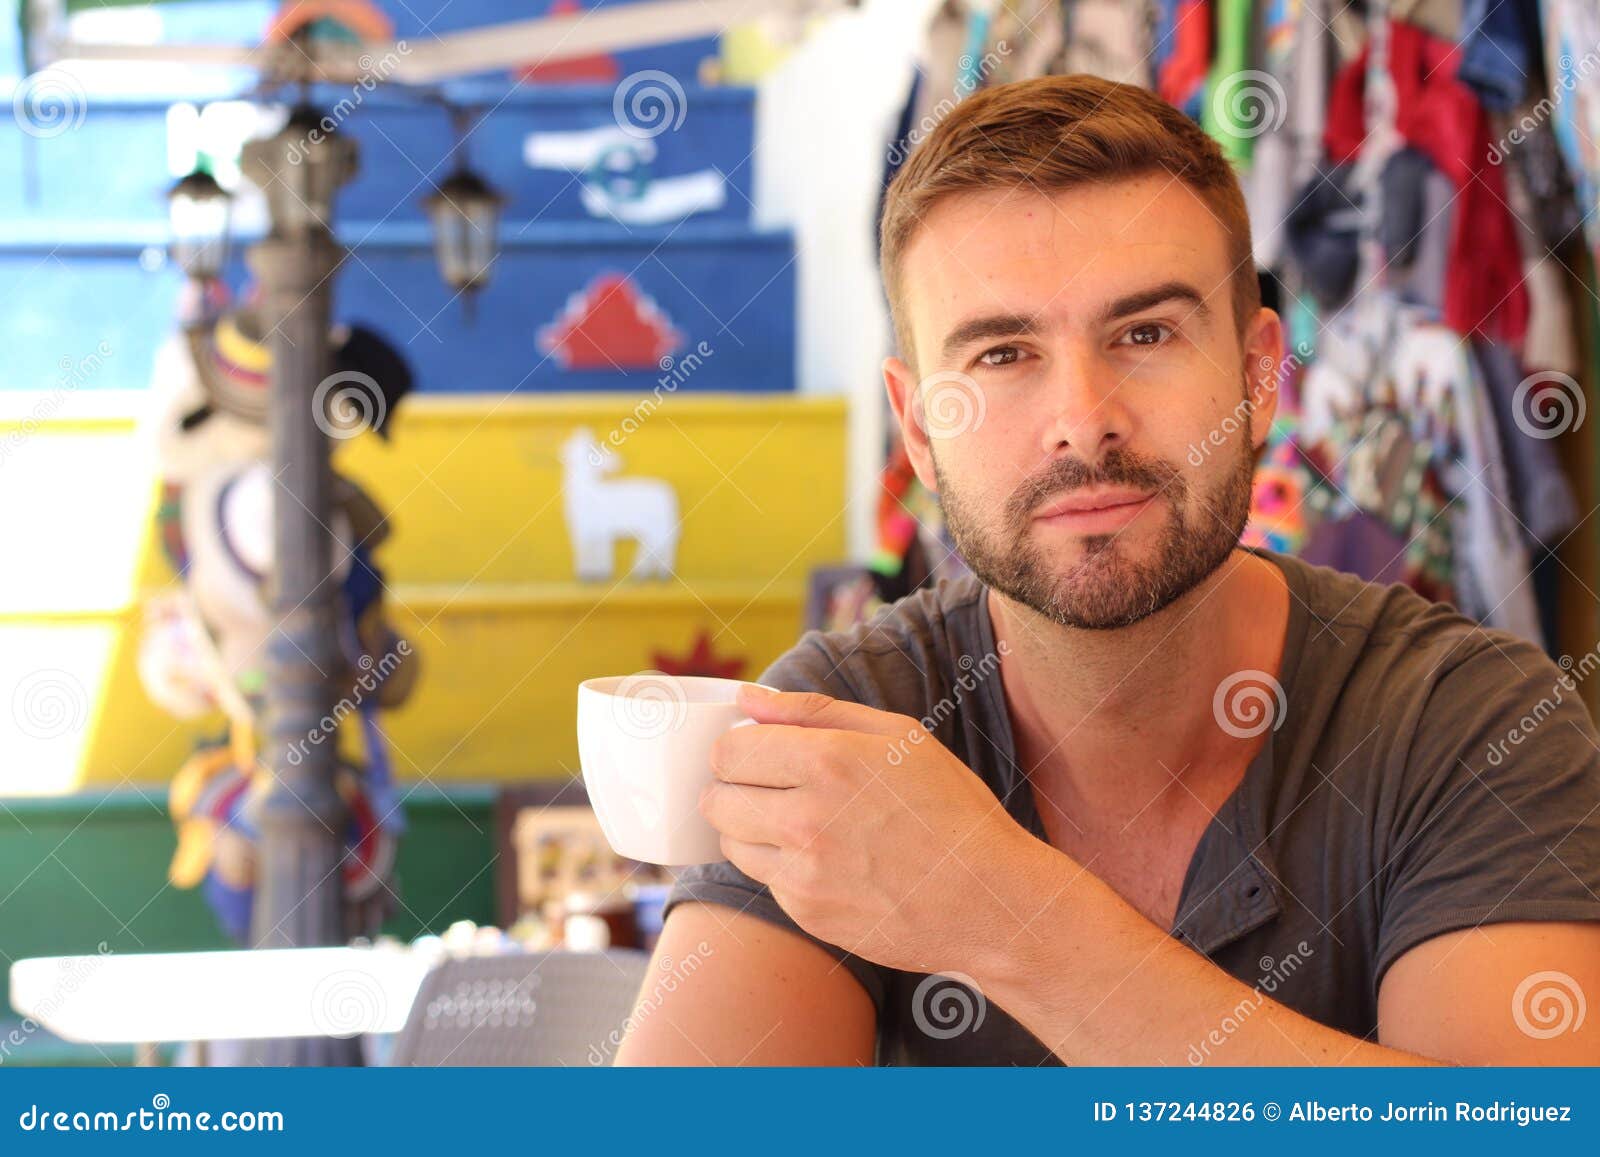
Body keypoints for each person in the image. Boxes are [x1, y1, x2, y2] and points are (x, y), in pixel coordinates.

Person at [614, 74, 1600, 1066]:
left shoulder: (1468, 721)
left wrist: (1003, 911)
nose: (1084, 418)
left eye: (1144, 333)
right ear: (918, 427)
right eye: (1002, 354)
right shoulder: (850, 719)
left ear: (1259, 377)